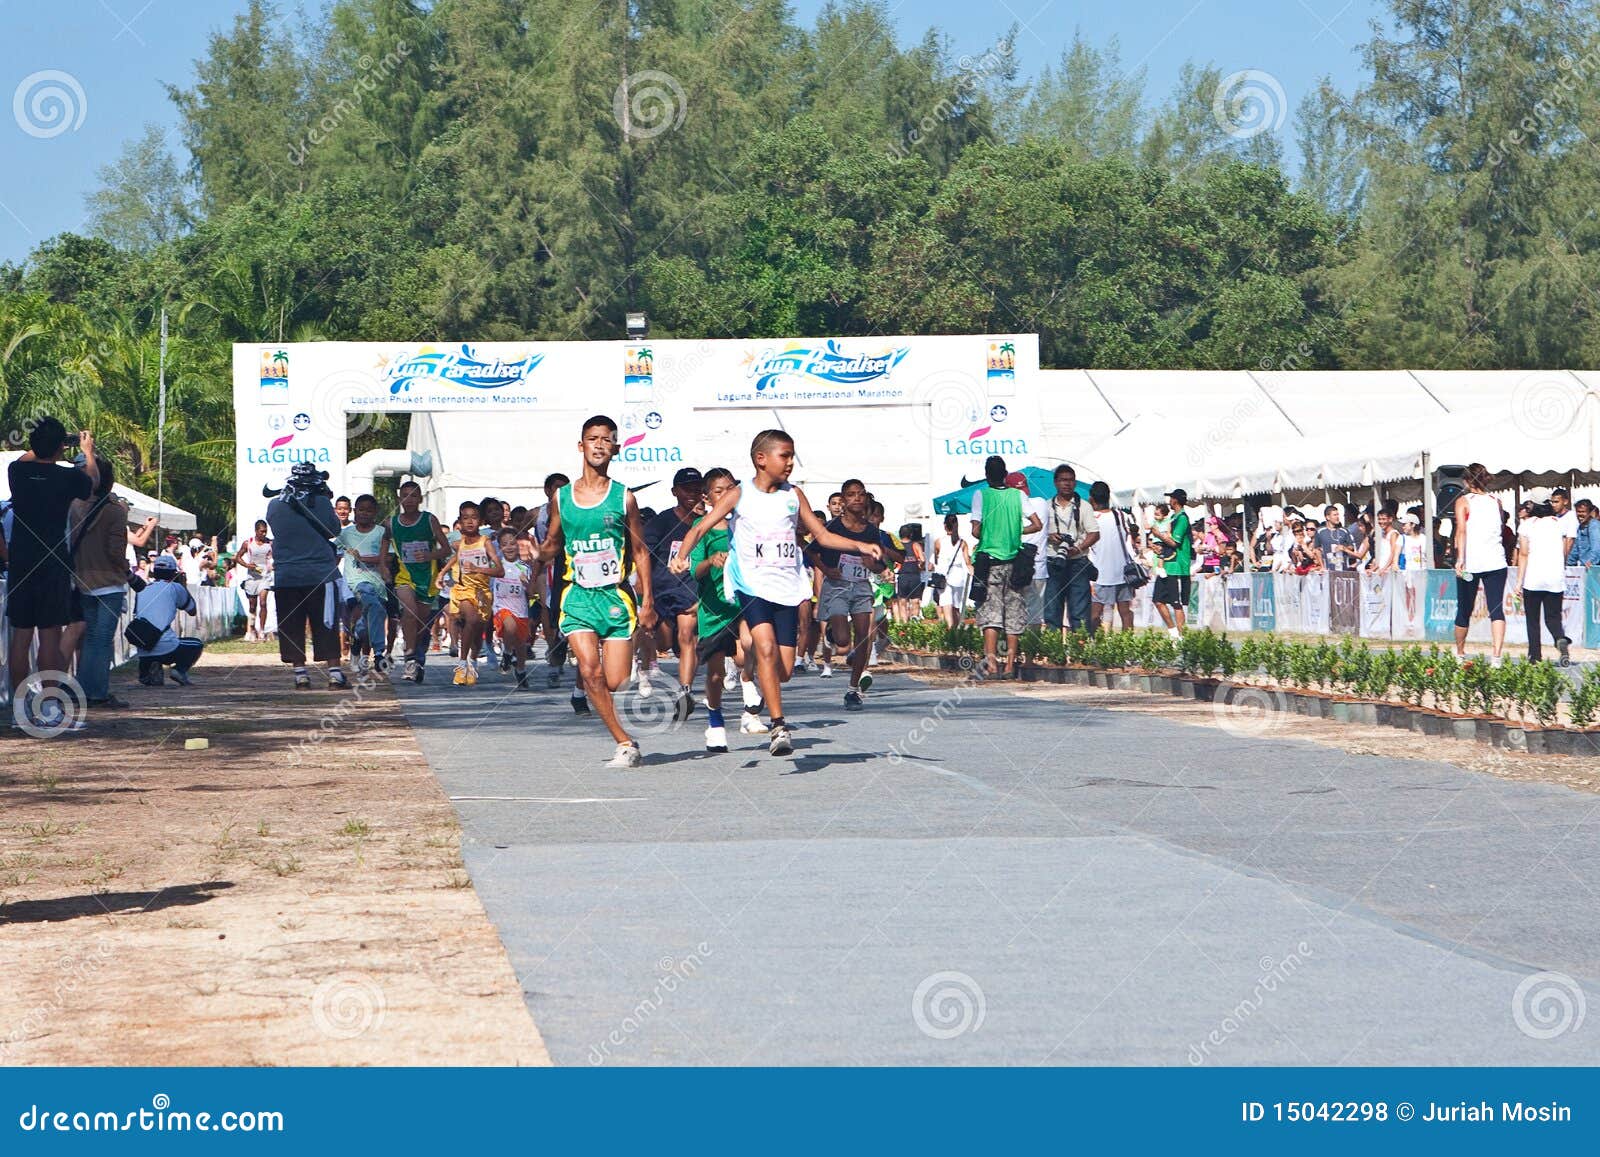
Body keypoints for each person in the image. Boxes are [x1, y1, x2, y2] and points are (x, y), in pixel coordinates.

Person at [672, 430, 880, 756]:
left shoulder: (792, 495)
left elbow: (822, 536)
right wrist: (682, 555)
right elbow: (700, 526)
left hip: (786, 588)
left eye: (792, 456)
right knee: (764, 646)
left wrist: (860, 544)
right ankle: (778, 725)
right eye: (784, 456)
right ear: (761, 459)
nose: (790, 463)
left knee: (782, 670)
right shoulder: (739, 495)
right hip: (752, 587)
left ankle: (765, 691)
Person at [538, 416, 657, 767]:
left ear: (616, 448)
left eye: (607, 440)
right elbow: (552, 543)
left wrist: (647, 599)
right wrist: (539, 553)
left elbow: (639, 551)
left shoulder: (624, 498)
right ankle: (623, 741)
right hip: (577, 596)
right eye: (593, 439)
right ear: (581, 446)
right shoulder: (562, 497)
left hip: (615, 597)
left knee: (616, 681)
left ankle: (617, 708)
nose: (599, 445)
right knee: (589, 670)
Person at [6, 418, 99, 731]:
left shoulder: (17, 472)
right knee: (49, 636)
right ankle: (49, 706)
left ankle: (20, 711)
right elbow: (93, 484)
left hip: (20, 560)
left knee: (20, 637)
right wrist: (86, 451)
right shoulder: (66, 476)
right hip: (52, 561)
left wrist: (45, 444)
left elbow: (26, 456)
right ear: (61, 447)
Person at [68, 453, 150, 710]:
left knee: (91, 638)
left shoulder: (75, 506)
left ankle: (84, 690)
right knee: (102, 640)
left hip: (83, 579)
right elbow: (116, 551)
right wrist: (127, 572)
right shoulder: (114, 510)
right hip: (108, 582)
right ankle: (99, 693)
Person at [265, 461, 347, 690]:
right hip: (320, 574)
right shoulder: (321, 502)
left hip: (286, 575)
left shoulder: (274, 505)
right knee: (327, 624)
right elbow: (334, 530)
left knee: (291, 625)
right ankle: (334, 673)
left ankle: (300, 674)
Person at [687, 467, 751, 752]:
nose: (726, 495)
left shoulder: (746, 522)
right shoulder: (702, 527)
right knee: (714, 674)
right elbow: (694, 571)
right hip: (713, 609)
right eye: (718, 491)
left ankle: (749, 688)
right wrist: (710, 560)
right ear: (707, 497)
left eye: (730, 488)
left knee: (749, 646)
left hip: (744, 601)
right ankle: (714, 721)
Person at [809, 479, 885, 712]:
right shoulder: (832, 527)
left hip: (861, 586)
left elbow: (879, 566)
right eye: (851, 495)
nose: (857, 499)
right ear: (843, 500)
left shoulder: (872, 531)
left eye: (861, 494)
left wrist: (871, 563)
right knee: (843, 641)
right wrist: (826, 569)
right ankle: (833, 633)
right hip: (837, 585)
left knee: (864, 636)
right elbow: (811, 552)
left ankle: (853, 691)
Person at [639, 467, 705, 720]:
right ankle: (643, 659)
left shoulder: (706, 522)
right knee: (665, 643)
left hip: (691, 591)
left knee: (689, 637)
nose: (693, 494)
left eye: (698, 488)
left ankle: (685, 692)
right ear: (675, 492)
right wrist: (646, 593)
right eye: (687, 489)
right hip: (663, 591)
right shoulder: (662, 522)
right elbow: (643, 554)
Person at [968, 457, 1040, 677]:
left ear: (987, 475)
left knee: (991, 614)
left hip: (989, 562)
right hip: (1015, 562)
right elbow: (1037, 524)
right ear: (1005, 474)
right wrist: (1016, 532)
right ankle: (1009, 665)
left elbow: (975, 531)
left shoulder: (981, 495)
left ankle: (991, 664)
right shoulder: (1018, 495)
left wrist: (992, 532)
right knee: (1014, 612)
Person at [384, 480, 452, 683]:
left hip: (427, 578)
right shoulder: (391, 522)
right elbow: (383, 544)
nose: (409, 500)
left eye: (413, 495)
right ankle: (410, 655)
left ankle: (417, 661)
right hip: (404, 576)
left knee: (421, 625)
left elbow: (446, 549)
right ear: (399, 499)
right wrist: (382, 566)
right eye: (405, 495)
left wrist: (430, 555)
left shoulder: (429, 520)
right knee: (409, 612)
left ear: (420, 499)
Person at [1451, 462, 1508, 666]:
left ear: (1467, 481)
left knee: (1464, 609)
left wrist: (1460, 559)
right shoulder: (1496, 500)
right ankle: (1497, 656)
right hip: (1496, 559)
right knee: (1496, 609)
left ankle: (1459, 652)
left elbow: (1462, 530)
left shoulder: (1463, 501)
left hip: (1471, 562)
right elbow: (1499, 527)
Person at [443, 502, 504, 685]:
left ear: (480, 521)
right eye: (466, 518)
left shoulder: (485, 542)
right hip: (463, 590)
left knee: (478, 630)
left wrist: (478, 568)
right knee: (471, 618)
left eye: (474, 518)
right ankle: (462, 665)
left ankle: (473, 660)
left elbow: (499, 571)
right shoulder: (459, 544)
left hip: (482, 592)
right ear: (459, 522)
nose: (470, 521)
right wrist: (441, 573)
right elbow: (455, 558)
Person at [1516, 491, 1573, 665]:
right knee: (1553, 617)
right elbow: (1564, 548)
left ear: (1532, 505)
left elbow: (1523, 554)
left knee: (1533, 620)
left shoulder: (1526, 525)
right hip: (1555, 577)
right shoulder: (1559, 524)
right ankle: (1559, 638)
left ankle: (1535, 656)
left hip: (1534, 577)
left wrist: (1518, 582)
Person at [337, 494, 390, 677]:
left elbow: (388, 557)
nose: (365, 514)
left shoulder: (381, 532)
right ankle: (378, 653)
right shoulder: (346, 534)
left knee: (368, 623)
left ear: (375, 512)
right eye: (361, 510)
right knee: (369, 609)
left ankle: (358, 645)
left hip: (377, 583)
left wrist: (365, 558)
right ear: (354, 511)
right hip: (354, 584)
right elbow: (334, 554)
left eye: (369, 510)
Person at [1042, 465, 1098, 636]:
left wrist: (1079, 547)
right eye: (1063, 480)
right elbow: (1039, 531)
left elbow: (1094, 533)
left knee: (1080, 612)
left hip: (1077, 562)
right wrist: (1050, 536)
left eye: (1070, 480)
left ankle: (1079, 655)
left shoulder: (1085, 506)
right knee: (1052, 610)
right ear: (1055, 483)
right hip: (1053, 561)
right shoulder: (1047, 506)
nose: (1067, 484)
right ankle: (1054, 653)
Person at [133, 553, 203, 686]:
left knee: (155, 643)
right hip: (166, 646)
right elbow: (192, 610)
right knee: (196, 644)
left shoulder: (143, 589)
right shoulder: (175, 588)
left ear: (154, 571)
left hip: (142, 645)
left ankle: (147, 670)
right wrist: (183, 586)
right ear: (173, 573)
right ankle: (179, 670)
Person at [533, 472, 572, 687]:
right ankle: (554, 657)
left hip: (570, 567)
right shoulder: (537, 514)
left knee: (569, 615)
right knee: (549, 612)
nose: (562, 493)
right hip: (546, 568)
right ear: (547, 491)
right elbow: (513, 527)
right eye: (557, 488)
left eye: (565, 488)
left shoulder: (574, 511)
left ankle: (565, 651)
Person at [491, 526, 536, 687]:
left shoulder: (524, 567)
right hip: (501, 608)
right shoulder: (497, 566)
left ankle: (521, 671)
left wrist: (527, 582)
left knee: (521, 644)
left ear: (518, 545)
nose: (509, 547)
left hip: (521, 610)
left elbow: (531, 592)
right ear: (500, 547)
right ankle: (508, 653)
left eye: (512, 543)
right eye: (504, 544)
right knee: (509, 626)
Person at [1088, 481, 1136, 631]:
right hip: (1123, 572)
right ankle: (1127, 648)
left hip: (1101, 574)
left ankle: (1092, 646)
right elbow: (1129, 535)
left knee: (1095, 614)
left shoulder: (1091, 519)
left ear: (1091, 499)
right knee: (1125, 613)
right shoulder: (1121, 515)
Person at [1150, 489, 1192, 638]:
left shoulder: (1182, 518)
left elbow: (1174, 542)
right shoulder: (1173, 517)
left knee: (1177, 603)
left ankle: (1181, 637)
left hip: (1178, 566)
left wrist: (1158, 534)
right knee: (1158, 600)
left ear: (1175, 500)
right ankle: (1173, 632)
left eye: (1171, 498)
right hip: (1167, 565)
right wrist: (1158, 547)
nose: (1169, 501)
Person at [931, 513, 972, 629]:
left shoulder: (939, 542)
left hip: (944, 576)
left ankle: (950, 629)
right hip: (959, 576)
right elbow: (968, 562)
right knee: (956, 606)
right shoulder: (962, 543)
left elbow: (935, 560)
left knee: (947, 603)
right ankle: (958, 631)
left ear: (945, 526)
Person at [239, 520, 274, 641]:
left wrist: (273, 565)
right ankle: (252, 629)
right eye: (262, 531)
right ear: (256, 531)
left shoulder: (270, 543)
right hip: (252, 577)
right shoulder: (248, 543)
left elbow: (276, 557)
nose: (264, 534)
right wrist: (247, 565)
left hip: (265, 576)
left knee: (263, 603)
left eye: (265, 531)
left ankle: (262, 630)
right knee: (252, 606)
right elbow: (237, 557)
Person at [1313, 505, 1357, 571]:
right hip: (1328, 569)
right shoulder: (1320, 532)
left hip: (1343, 568)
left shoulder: (1344, 531)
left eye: (1338, 515)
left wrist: (1344, 548)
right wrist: (1322, 566)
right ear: (1327, 517)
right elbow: (1317, 550)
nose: (1337, 517)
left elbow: (1351, 547)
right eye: (1335, 515)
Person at [1369, 507, 1401, 574]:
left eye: (1384, 519)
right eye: (1379, 519)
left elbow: (1393, 553)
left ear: (1390, 519)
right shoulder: (1382, 534)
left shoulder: (1393, 534)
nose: (1381, 522)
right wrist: (1374, 568)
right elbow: (1382, 554)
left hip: (1389, 571)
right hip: (1382, 569)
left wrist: (1384, 568)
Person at [1570, 499, 1600, 566]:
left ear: (1590, 513)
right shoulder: (1580, 527)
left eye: (1583, 512)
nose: (1580, 514)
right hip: (1583, 568)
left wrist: (1591, 562)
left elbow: (1597, 548)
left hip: (1594, 568)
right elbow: (1575, 550)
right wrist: (1569, 563)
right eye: (1578, 512)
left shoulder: (1594, 526)